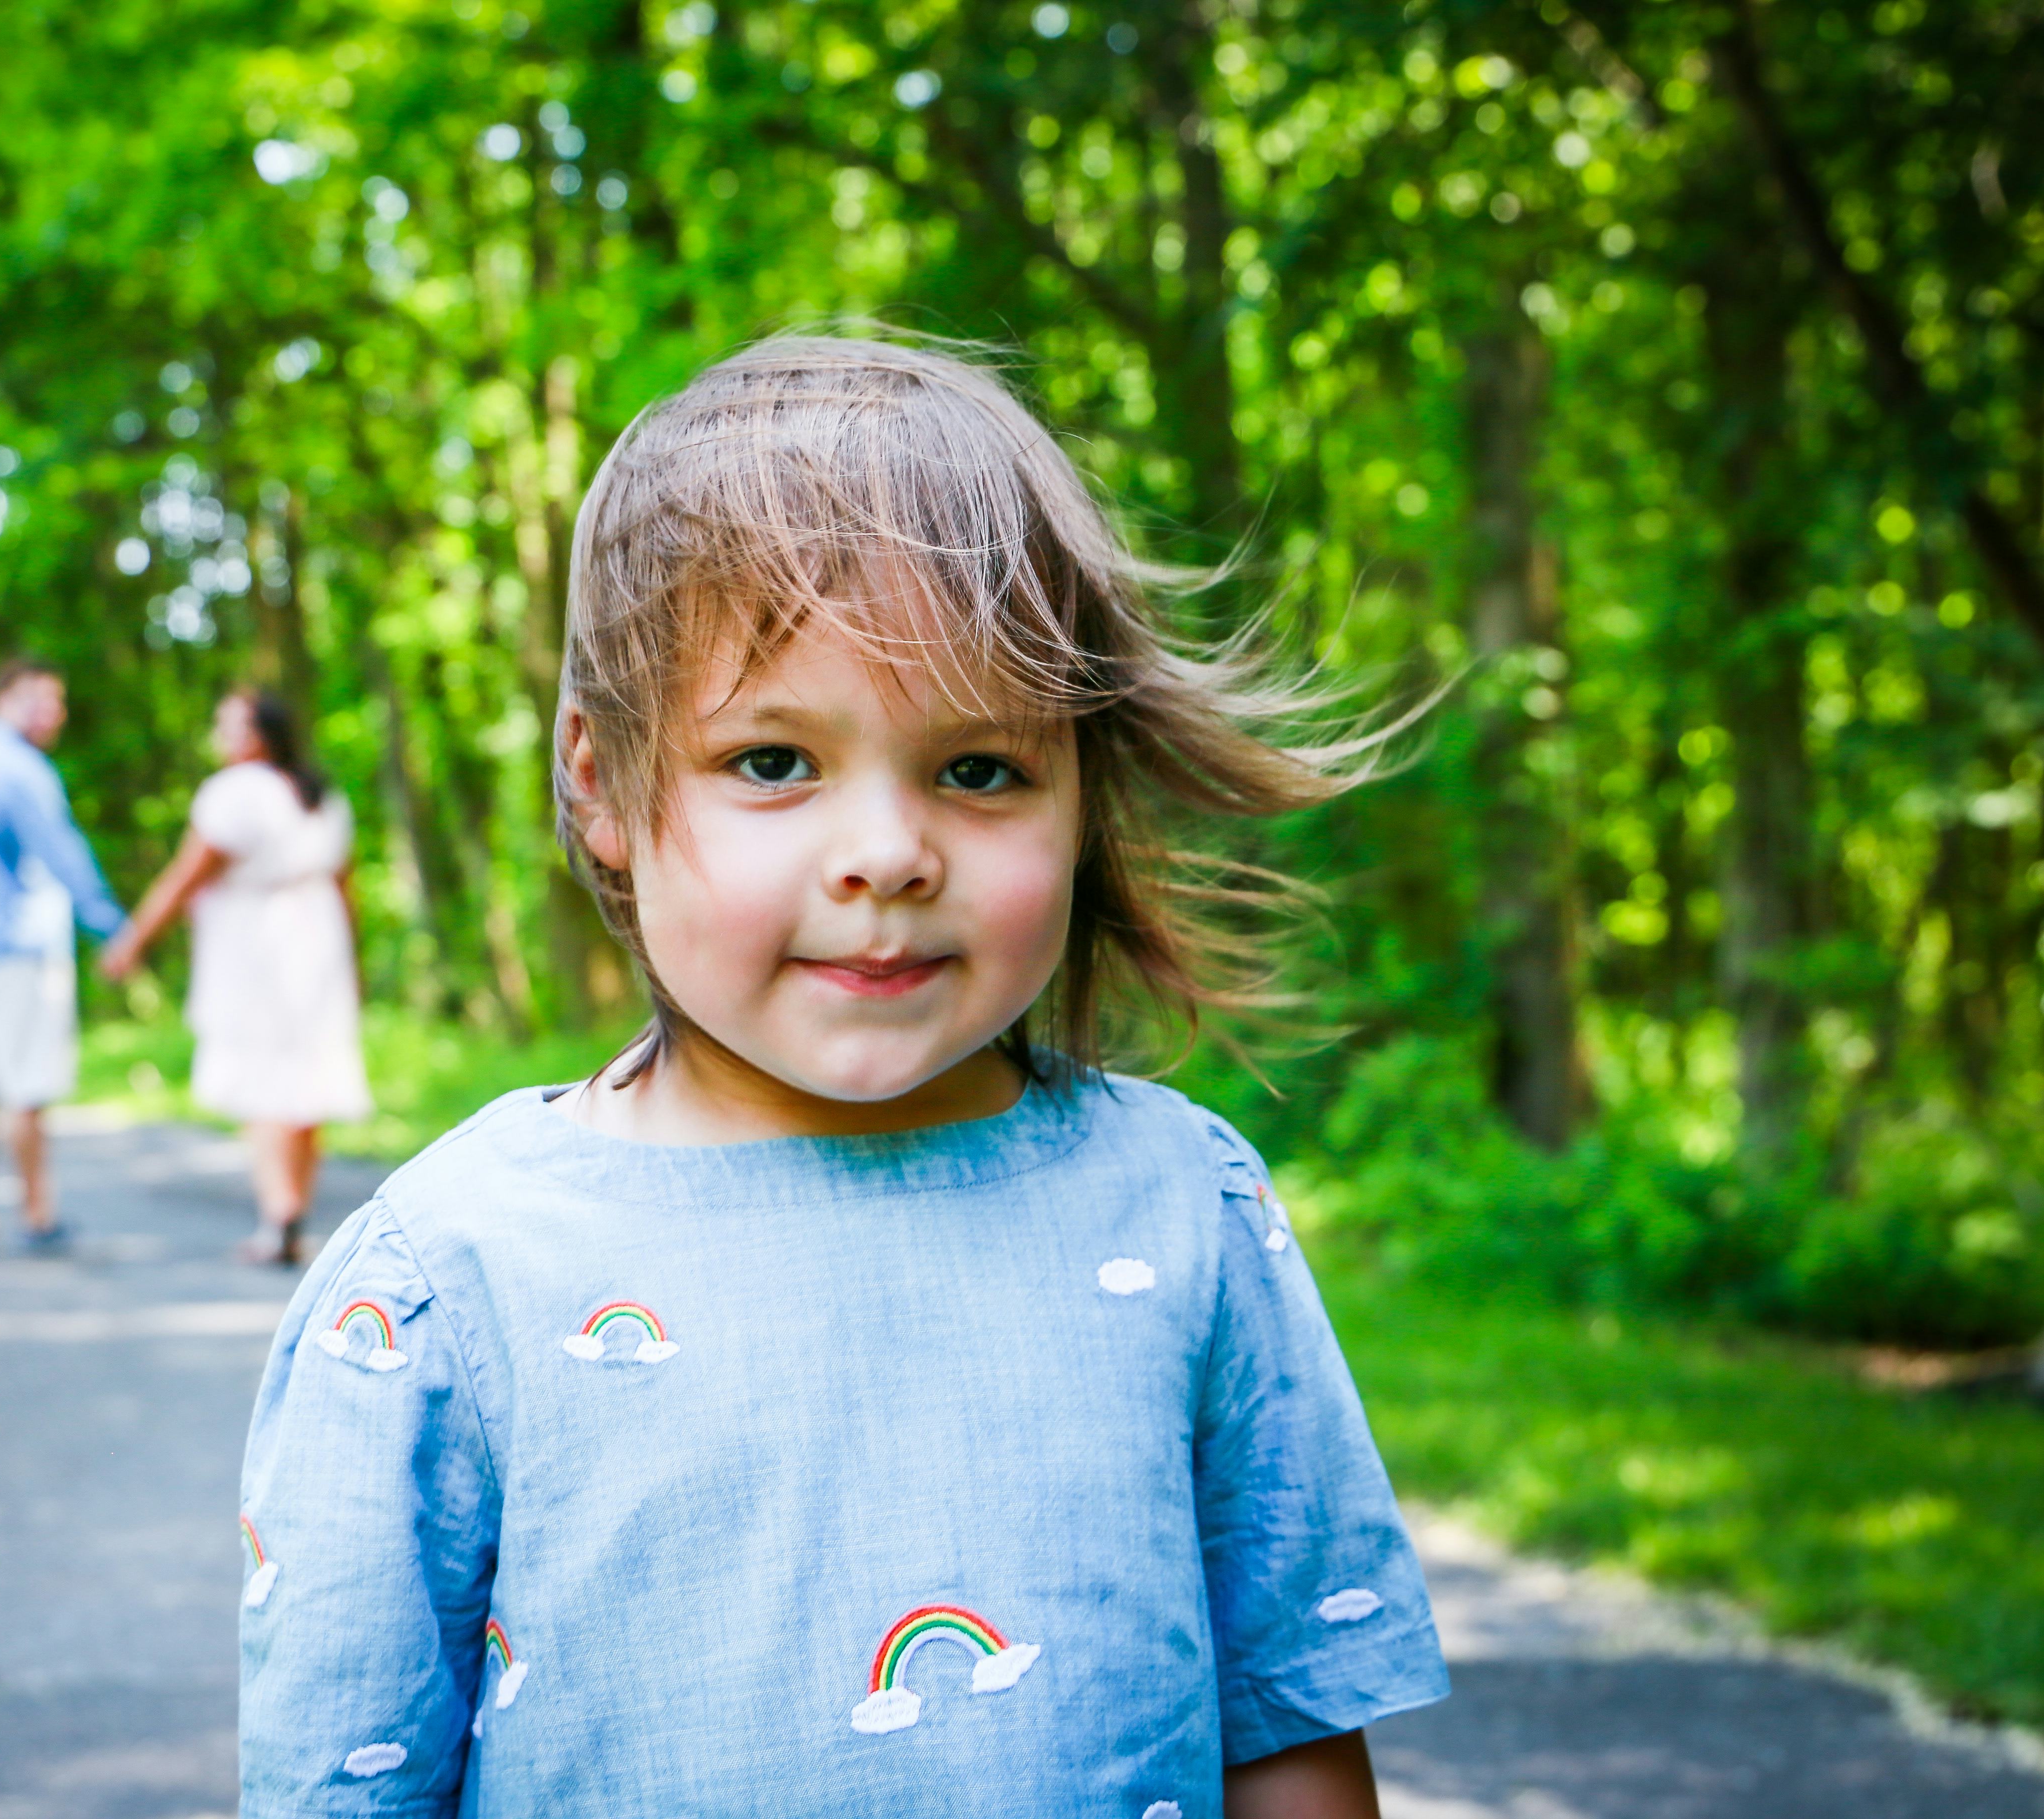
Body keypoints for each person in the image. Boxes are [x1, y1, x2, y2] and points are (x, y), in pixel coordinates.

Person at [232, 337, 1447, 1818]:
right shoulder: (448, 1281)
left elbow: (1295, 1724)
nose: (888, 851)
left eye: (982, 768)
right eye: (773, 761)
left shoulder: (1183, 1208)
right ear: (603, 784)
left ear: (1081, 798)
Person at [101, 688, 372, 1266]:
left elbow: (185, 876)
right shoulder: (318, 794)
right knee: (308, 1078)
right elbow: (348, 888)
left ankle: (278, 1216)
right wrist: (355, 960)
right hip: (320, 940)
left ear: (259, 735)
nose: (220, 736)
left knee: (265, 1078)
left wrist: (133, 943)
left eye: (229, 725)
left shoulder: (236, 793)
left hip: (260, 943)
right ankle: (293, 1205)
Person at [0, 655, 130, 1259]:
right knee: (25, 1091)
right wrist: (111, 927)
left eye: (57, 703)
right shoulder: (22, 770)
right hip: (18, 948)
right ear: (1, 699)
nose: (54, 715)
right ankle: (38, 1215)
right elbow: (61, 853)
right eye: (39, 701)